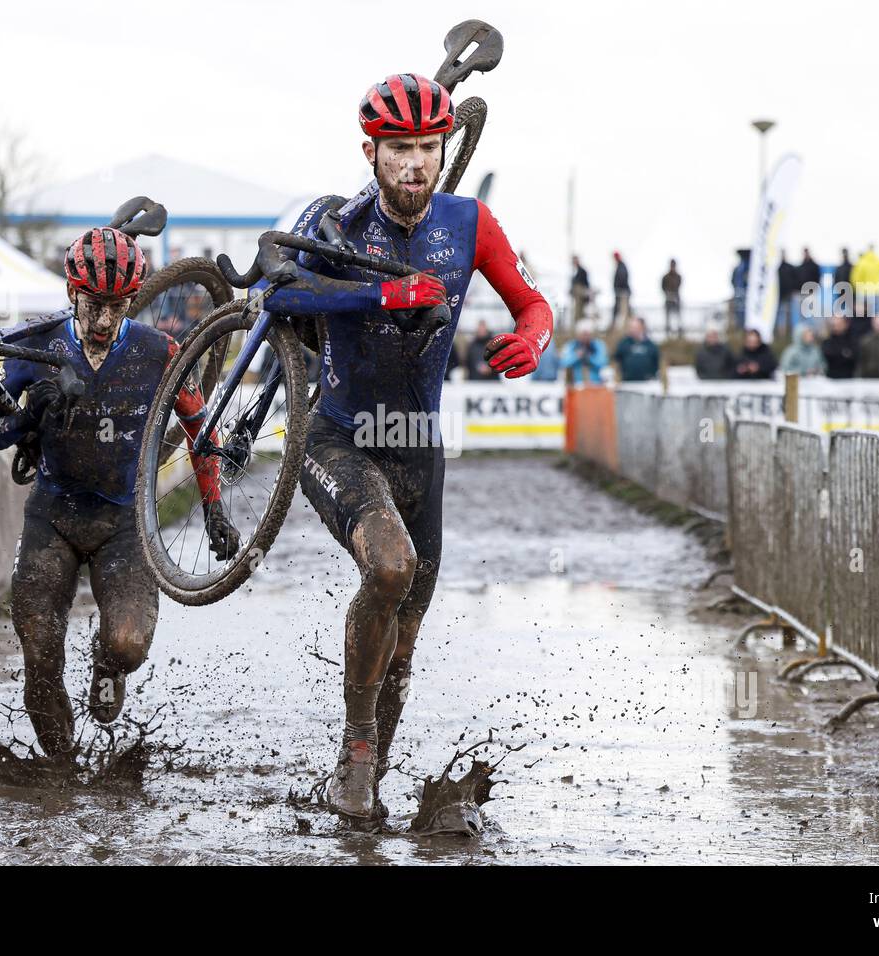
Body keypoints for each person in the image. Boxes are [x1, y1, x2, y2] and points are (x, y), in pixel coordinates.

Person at [251, 73, 553, 823]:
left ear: (442, 148)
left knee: (405, 639)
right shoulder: (340, 224)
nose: (414, 163)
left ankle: (365, 778)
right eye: (398, 150)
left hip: (419, 447)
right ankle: (357, 755)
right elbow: (281, 297)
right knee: (389, 565)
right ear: (372, 153)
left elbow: (532, 301)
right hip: (339, 434)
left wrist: (533, 338)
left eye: (425, 147)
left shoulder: (470, 222)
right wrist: (379, 295)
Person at [0, 224, 240, 759]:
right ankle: (61, 773)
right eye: (92, 304)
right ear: (73, 293)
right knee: (40, 650)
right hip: (52, 516)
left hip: (123, 523)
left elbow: (201, 432)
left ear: (130, 301)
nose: (102, 320)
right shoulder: (38, 344)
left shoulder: (159, 352)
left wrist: (214, 508)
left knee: (127, 645)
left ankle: (106, 663)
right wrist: (29, 412)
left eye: (116, 306)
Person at [560, 319, 608, 384]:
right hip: (576, 385)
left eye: (587, 334)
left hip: (595, 385)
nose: (585, 337)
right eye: (583, 334)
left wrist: (589, 358)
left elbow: (603, 362)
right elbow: (564, 362)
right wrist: (577, 356)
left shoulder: (598, 345)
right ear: (578, 334)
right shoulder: (571, 346)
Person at [613, 316, 659, 382]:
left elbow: (657, 362)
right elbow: (616, 360)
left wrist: (651, 375)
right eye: (631, 327)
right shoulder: (624, 343)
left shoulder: (651, 345)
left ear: (642, 327)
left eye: (635, 327)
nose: (632, 330)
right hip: (627, 382)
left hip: (646, 383)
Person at [661, 259, 682, 337]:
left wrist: (674, 295)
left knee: (678, 318)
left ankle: (679, 334)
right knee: (668, 318)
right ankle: (668, 334)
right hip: (668, 299)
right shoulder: (665, 277)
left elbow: (679, 286)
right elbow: (662, 287)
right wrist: (668, 294)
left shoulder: (678, 276)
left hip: (676, 299)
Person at [610, 251, 631, 329]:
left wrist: (618, 288)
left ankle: (625, 328)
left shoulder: (621, 266)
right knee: (620, 311)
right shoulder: (620, 266)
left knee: (624, 311)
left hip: (622, 293)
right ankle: (620, 327)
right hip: (620, 292)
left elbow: (622, 279)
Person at [570, 256, 590, 324]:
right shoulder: (574, 271)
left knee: (580, 312)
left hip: (581, 296)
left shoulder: (582, 271)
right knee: (577, 312)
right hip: (577, 296)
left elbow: (586, 284)